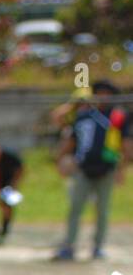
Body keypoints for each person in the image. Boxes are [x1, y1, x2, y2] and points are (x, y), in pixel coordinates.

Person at [53, 79, 127, 261]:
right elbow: (61, 124)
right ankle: (69, 245)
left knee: (102, 210)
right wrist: (60, 159)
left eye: (106, 94)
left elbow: (124, 144)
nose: (103, 97)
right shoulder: (83, 115)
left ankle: (98, 246)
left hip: (107, 168)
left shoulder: (118, 117)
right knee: (76, 208)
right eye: (99, 93)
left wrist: (121, 168)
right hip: (83, 169)